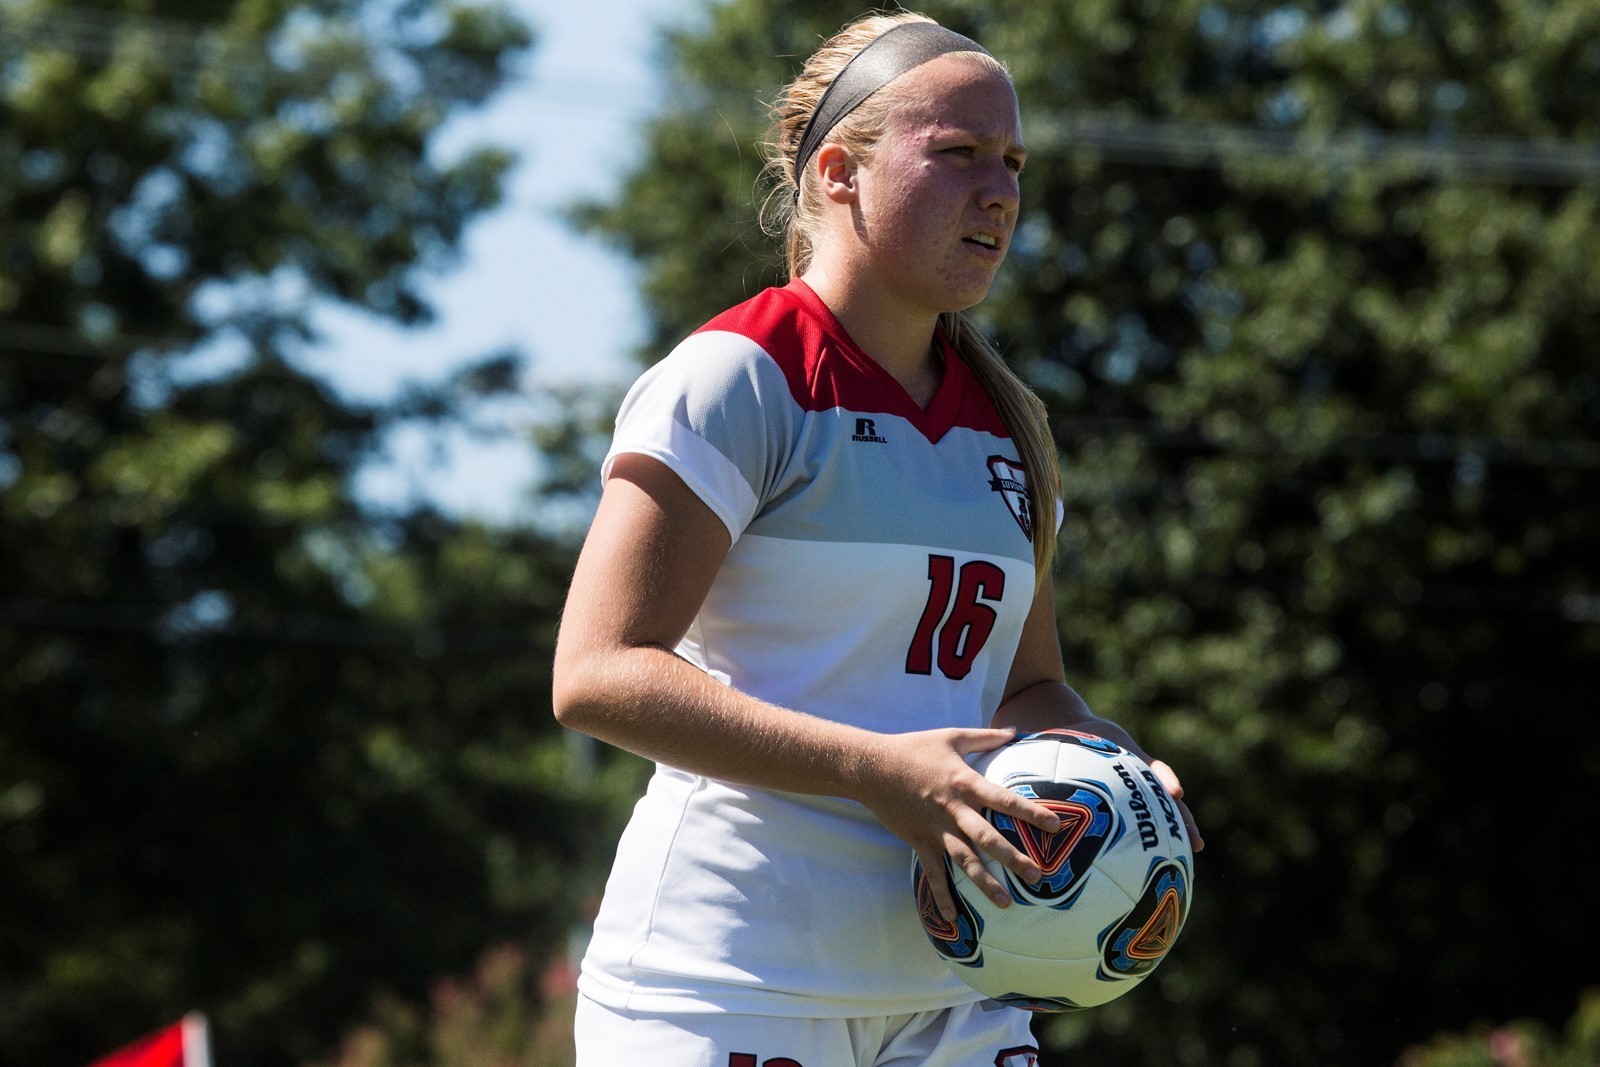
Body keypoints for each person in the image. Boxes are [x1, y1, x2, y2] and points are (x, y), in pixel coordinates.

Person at [552, 11, 1202, 1065]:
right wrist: (873, 769)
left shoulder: (1012, 425)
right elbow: (597, 674)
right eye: (958, 153)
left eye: (1012, 163)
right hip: (727, 981)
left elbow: (1028, 688)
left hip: (962, 990)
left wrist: (1104, 764)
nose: (999, 192)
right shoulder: (739, 378)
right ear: (840, 173)